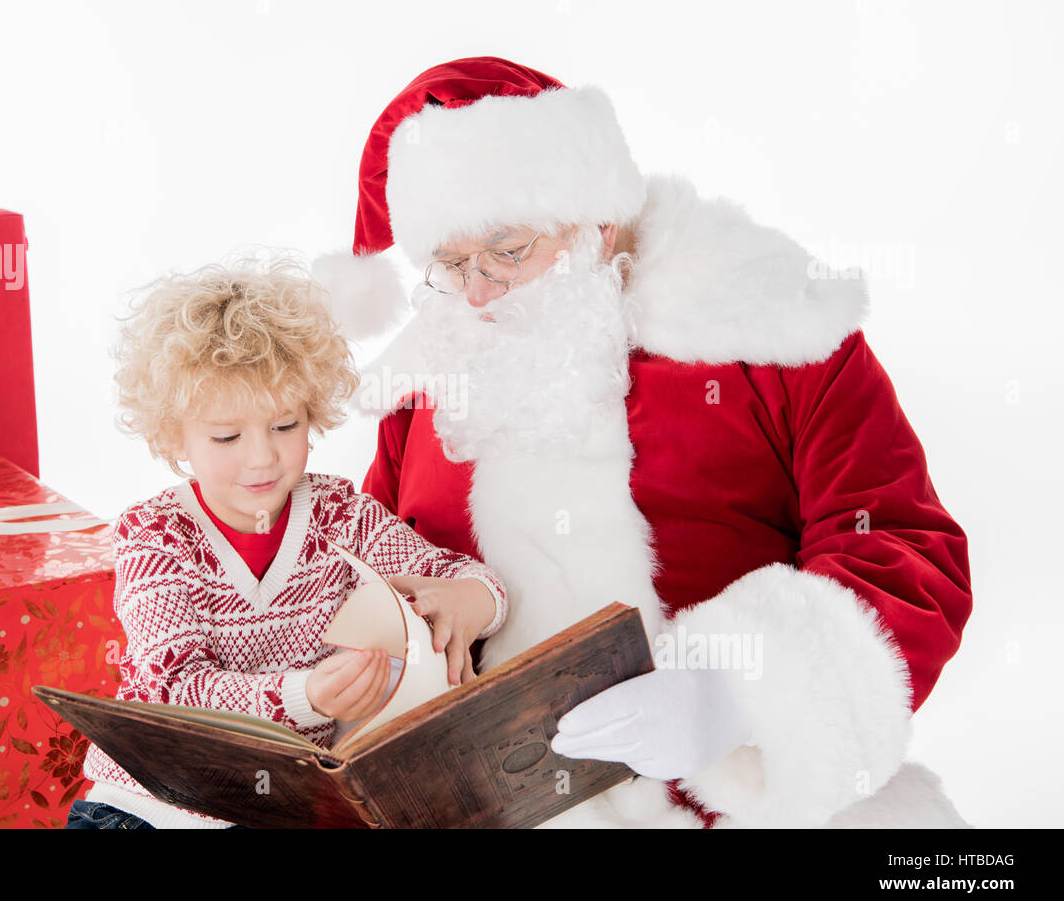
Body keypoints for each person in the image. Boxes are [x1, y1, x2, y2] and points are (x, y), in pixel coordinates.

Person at [313, 56, 973, 828]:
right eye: (453, 265)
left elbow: (905, 547)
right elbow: (372, 577)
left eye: (508, 248)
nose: (481, 292)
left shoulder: (771, 331)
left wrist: (735, 694)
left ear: (598, 222)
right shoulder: (425, 393)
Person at [68, 255, 507, 828]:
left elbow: (452, 573)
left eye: (285, 426)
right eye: (226, 435)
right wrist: (308, 698)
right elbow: (175, 691)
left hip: (279, 809)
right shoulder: (154, 535)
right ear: (176, 434)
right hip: (149, 807)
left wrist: (471, 598)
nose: (262, 458)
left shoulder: (338, 513)